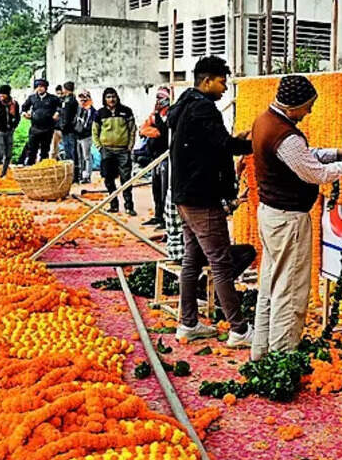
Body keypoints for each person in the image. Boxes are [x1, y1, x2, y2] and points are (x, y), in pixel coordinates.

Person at [250, 75, 342, 360]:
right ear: (292, 107)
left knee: (271, 285)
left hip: (272, 215)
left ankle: (261, 353)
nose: (309, 112)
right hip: (287, 221)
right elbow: (315, 173)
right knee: (290, 289)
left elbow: (302, 156)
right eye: (307, 107)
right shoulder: (284, 134)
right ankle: (283, 358)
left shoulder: (266, 121)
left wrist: (337, 152)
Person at [168, 56, 254, 347]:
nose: (224, 88)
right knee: (221, 262)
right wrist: (254, 144)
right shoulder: (205, 108)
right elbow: (223, 146)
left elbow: (211, 143)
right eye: (221, 82)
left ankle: (188, 323)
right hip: (201, 197)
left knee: (191, 260)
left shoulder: (184, 105)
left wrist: (233, 140)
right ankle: (239, 330)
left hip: (184, 194)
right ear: (206, 81)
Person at [92, 87, 137, 215]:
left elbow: (132, 130)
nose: (111, 99)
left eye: (113, 97)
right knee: (108, 178)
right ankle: (113, 204)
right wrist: (99, 147)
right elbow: (95, 131)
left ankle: (129, 206)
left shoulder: (126, 111)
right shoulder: (99, 113)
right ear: (104, 99)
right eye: (108, 97)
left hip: (123, 150)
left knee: (126, 179)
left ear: (117, 97)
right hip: (107, 150)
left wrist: (130, 146)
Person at [139, 87, 171, 228]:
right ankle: (158, 215)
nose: (158, 101)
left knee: (165, 189)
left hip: (165, 157)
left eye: (161, 98)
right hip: (154, 157)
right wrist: (154, 131)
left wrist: (156, 127)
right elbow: (143, 129)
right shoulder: (153, 115)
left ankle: (165, 218)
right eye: (157, 98)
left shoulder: (170, 115)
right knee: (156, 188)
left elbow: (163, 133)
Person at [20, 78, 61, 165]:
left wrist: (57, 113)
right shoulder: (32, 98)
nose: (40, 88)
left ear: (46, 88)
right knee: (32, 150)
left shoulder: (53, 98)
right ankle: (30, 167)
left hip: (47, 128)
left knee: (45, 150)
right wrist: (24, 113)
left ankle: (42, 168)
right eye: (38, 86)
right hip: (35, 128)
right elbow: (24, 107)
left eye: (42, 87)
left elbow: (60, 107)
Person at [59, 81, 81, 182]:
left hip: (69, 130)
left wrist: (62, 126)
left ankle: (73, 176)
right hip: (68, 130)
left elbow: (67, 117)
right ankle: (73, 175)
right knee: (70, 153)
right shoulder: (71, 100)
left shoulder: (70, 101)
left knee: (71, 153)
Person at [74, 89, 97, 183]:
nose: (83, 100)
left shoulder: (92, 111)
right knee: (80, 157)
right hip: (77, 135)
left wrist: (85, 129)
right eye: (81, 98)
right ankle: (80, 174)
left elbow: (91, 123)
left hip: (86, 136)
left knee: (87, 156)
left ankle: (87, 175)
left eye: (84, 97)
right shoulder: (78, 109)